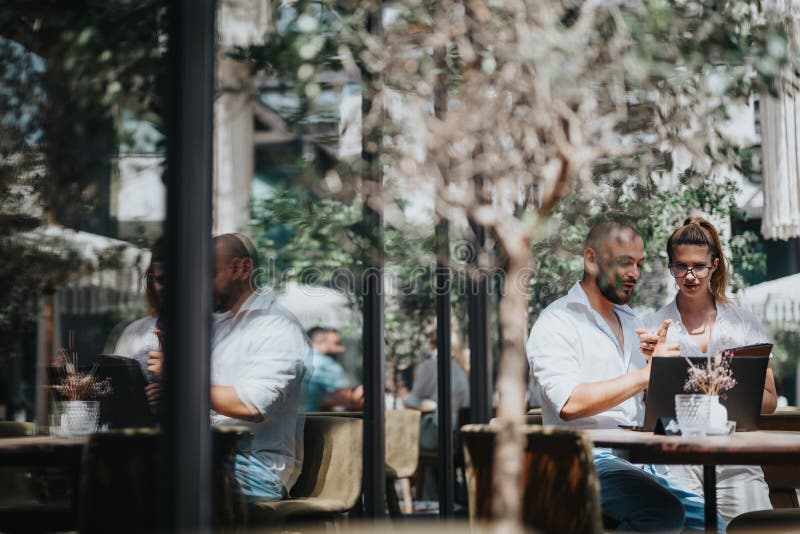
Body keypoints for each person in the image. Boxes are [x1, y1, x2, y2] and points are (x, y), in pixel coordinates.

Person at [526, 219, 723, 533]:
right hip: (584, 461)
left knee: (716, 525)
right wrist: (647, 374)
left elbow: (646, 406)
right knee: (663, 514)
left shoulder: (633, 322)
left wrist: (661, 374)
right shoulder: (557, 322)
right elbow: (570, 403)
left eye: (640, 263)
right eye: (625, 262)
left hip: (641, 461)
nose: (635, 274)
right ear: (591, 259)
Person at [148, 233, 309, 501]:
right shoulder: (220, 327)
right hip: (211, 455)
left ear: (241, 269)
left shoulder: (278, 328)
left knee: (150, 476)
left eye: (208, 274)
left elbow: (251, 406)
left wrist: (177, 375)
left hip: (258, 468)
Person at [638, 216, 777, 523]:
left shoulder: (743, 324)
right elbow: (645, 407)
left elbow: (769, 401)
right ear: (671, 267)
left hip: (737, 459)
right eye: (680, 266)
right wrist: (652, 362)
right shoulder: (651, 326)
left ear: (714, 266)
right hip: (675, 460)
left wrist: (724, 389)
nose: (690, 276)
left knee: (754, 527)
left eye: (699, 266)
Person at [112, 238, 164, 411]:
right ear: (151, 280)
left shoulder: (212, 329)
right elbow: (115, 393)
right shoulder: (135, 332)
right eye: (161, 280)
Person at [304, 326, 363, 412]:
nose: (342, 349)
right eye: (337, 343)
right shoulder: (326, 364)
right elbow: (348, 401)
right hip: (306, 423)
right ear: (320, 342)